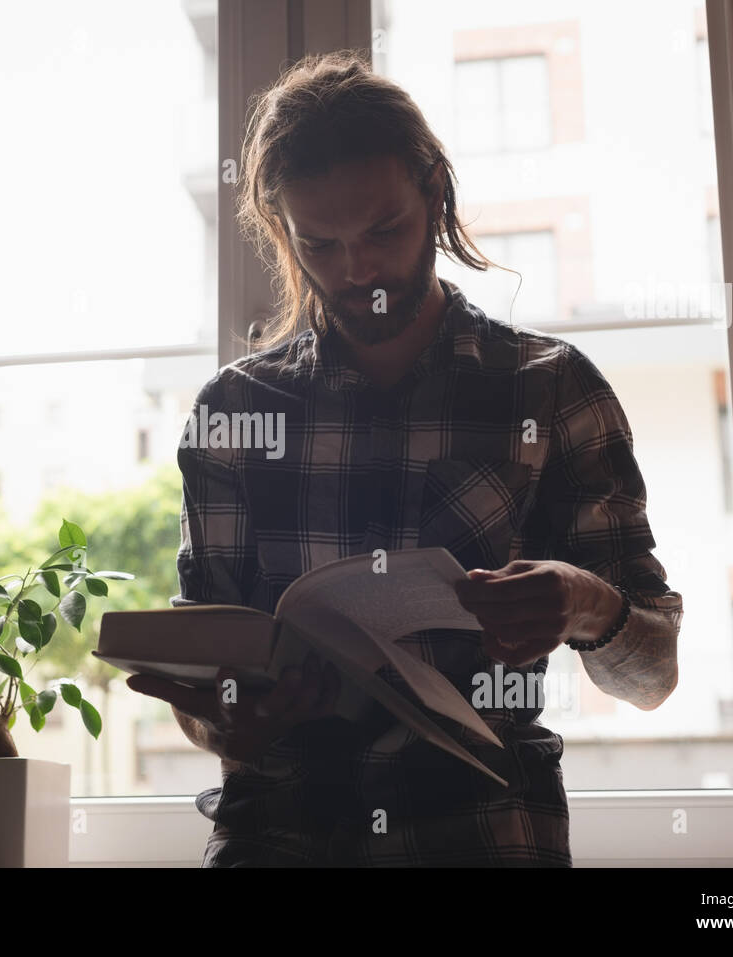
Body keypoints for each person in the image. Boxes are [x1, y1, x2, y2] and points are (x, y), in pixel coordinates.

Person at [126, 51, 683, 866]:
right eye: (320, 242)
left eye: (384, 230)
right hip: (283, 832)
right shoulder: (233, 413)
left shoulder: (552, 389)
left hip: (488, 828)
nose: (358, 270)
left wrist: (585, 603)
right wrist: (229, 719)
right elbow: (209, 699)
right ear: (283, 231)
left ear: (435, 193)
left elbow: (654, 677)